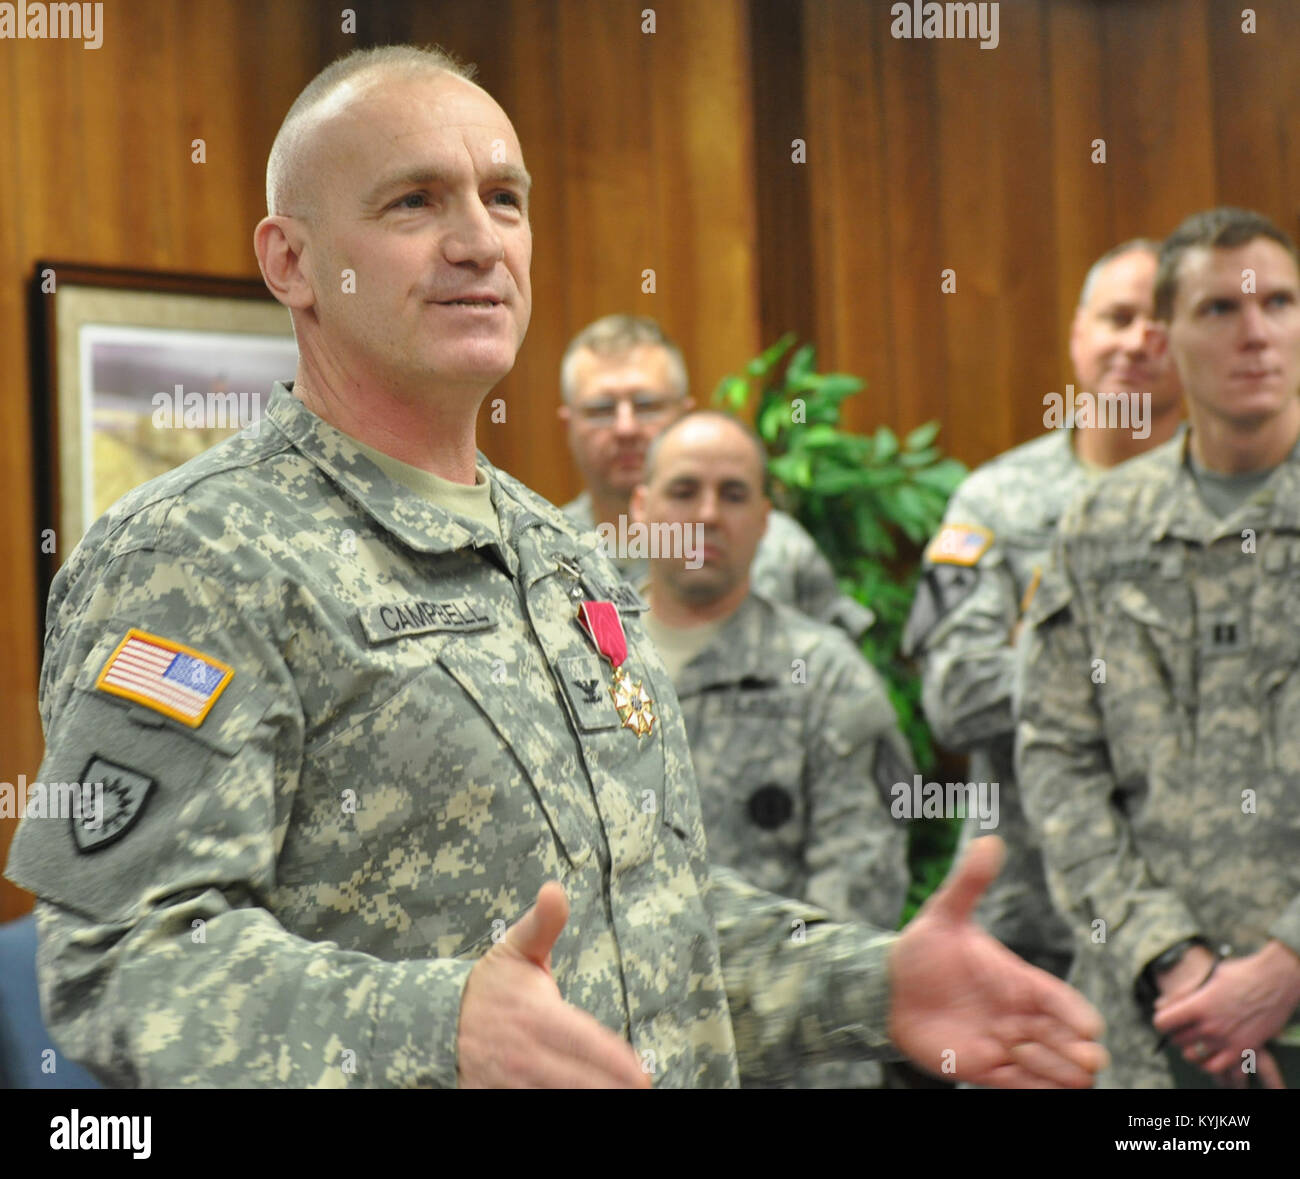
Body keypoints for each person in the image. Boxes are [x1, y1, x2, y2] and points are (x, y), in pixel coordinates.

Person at [4, 44, 1107, 1089]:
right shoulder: (192, 554)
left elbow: (640, 922)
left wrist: (870, 983)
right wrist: (438, 1031)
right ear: (291, 261)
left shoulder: (566, 554)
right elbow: (117, 963)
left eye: (505, 198)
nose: (480, 240)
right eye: (414, 201)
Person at [1017, 206, 1300, 1089]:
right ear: (1168, 335)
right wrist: (1169, 959)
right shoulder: (1103, 525)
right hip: (1151, 1025)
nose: (1256, 333)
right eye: (1219, 309)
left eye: (1281, 303)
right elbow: (1057, 755)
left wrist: (1286, 960)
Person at [902, 239, 1183, 980]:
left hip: (1197, 924)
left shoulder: (1237, 505)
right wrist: (1153, 672)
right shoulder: (992, 502)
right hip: (1027, 927)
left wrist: (1043, 655)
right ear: (1077, 335)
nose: (1135, 340)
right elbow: (957, 696)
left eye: (1161, 321)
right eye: (1116, 317)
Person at [630, 410, 912, 1086]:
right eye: (683, 490)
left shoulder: (825, 674)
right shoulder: (582, 657)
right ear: (640, 509)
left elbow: (855, 898)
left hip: (801, 1062)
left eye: (732, 494)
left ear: (765, 518)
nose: (706, 514)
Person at [558, 315, 875, 640]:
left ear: (684, 414)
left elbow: (838, 664)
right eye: (600, 409)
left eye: (647, 405)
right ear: (568, 424)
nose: (625, 428)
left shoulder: (775, 546)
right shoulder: (546, 553)